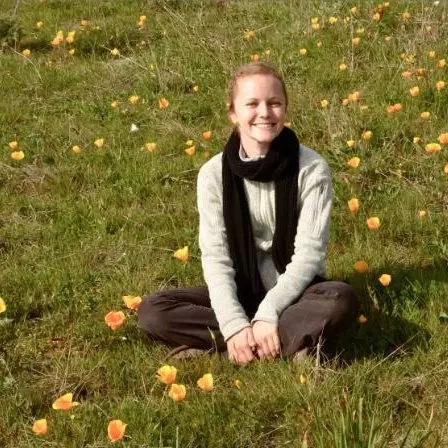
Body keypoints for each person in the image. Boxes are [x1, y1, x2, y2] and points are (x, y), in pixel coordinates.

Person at [138, 62, 359, 365]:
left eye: (274, 103)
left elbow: (309, 256)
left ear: (285, 108)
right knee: (153, 311)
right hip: (240, 289)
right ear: (233, 112)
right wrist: (233, 323)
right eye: (252, 104)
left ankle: (236, 346)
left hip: (295, 294)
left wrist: (268, 312)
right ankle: (278, 342)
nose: (265, 113)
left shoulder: (311, 169)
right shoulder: (213, 174)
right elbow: (216, 258)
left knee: (341, 299)